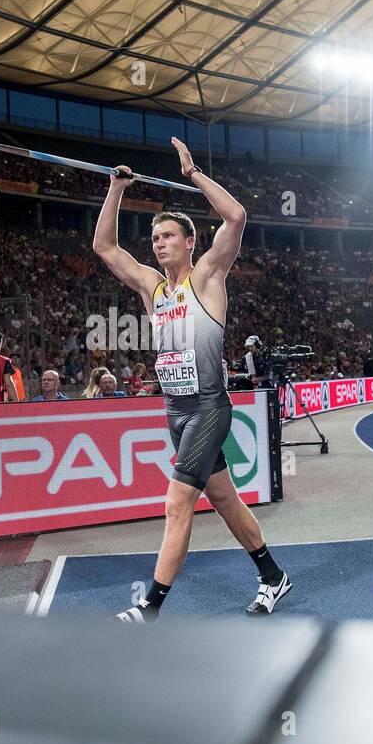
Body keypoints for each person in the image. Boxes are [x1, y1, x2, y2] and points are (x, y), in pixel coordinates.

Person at [93, 136, 291, 623]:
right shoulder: (151, 286)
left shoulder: (207, 278)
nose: (159, 243)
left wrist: (193, 174)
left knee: (178, 501)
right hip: (175, 410)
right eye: (155, 238)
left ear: (189, 241)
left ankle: (150, 607)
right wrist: (116, 188)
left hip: (208, 406)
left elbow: (237, 217)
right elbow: (104, 246)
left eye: (168, 236)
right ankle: (273, 576)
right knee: (223, 498)